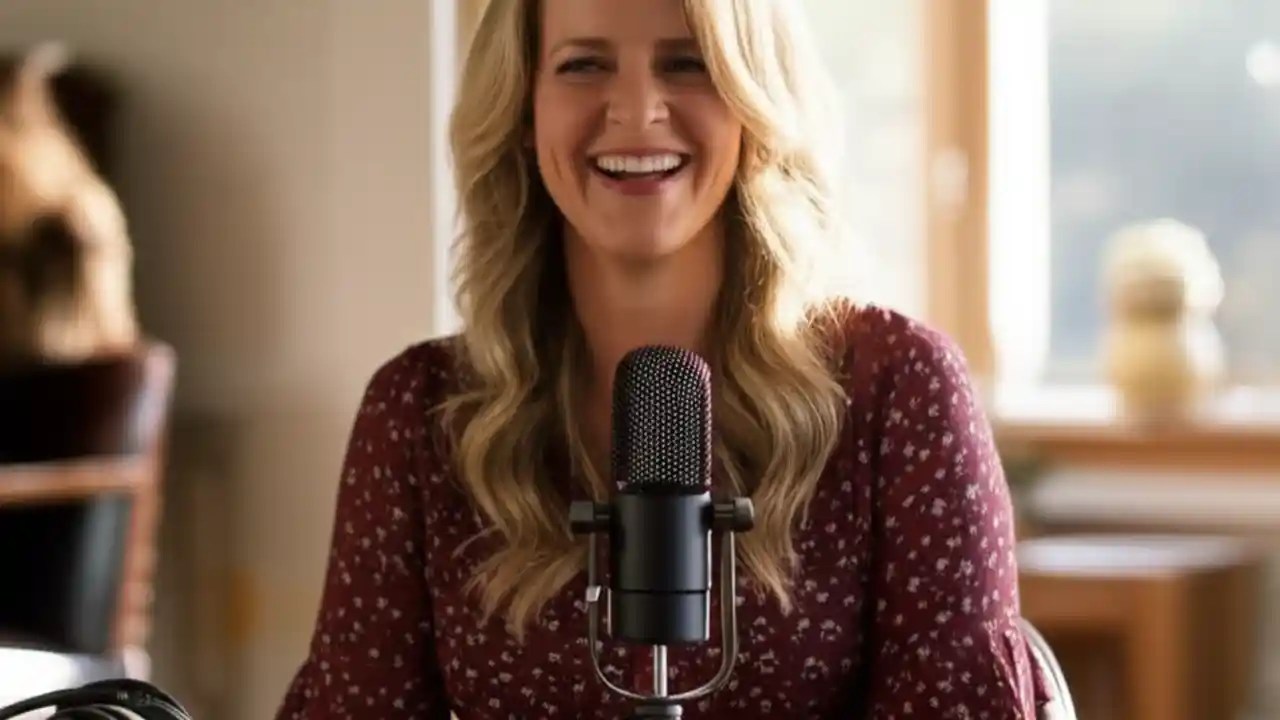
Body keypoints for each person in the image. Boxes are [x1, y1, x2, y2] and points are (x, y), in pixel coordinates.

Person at [275, 0, 1052, 717]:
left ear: (755, 100)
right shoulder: (420, 412)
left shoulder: (897, 391)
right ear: (521, 109)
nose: (639, 111)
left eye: (688, 63)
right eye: (584, 64)